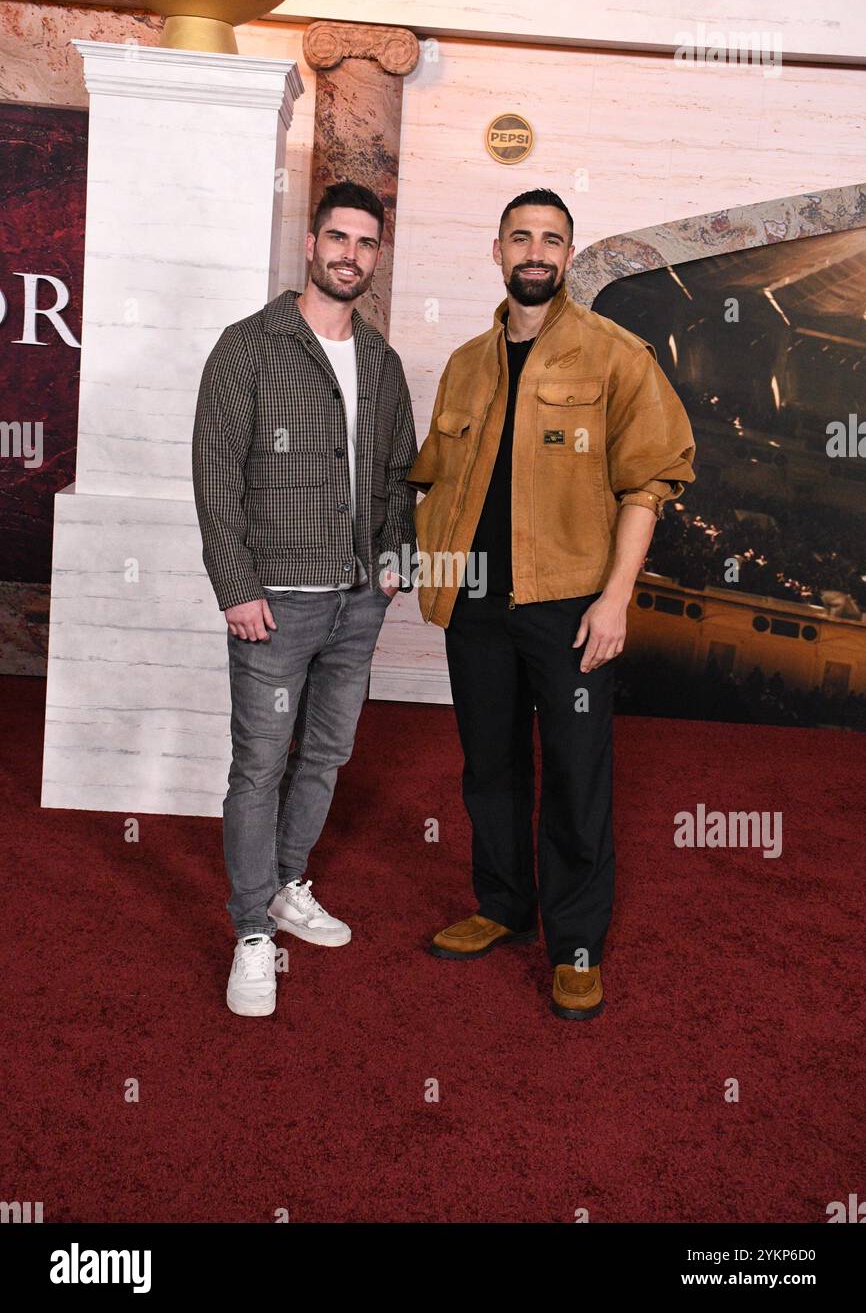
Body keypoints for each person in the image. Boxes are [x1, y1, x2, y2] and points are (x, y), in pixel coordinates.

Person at [406, 188, 696, 1020]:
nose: (536, 251)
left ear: (569, 257)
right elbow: (433, 479)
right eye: (521, 237)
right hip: (475, 602)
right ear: (497, 251)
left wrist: (615, 600)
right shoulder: (465, 363)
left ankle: (575, 944)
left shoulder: (615, 355)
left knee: (576, 777)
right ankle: (502, 907)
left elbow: (650, 481)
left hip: (569, 606)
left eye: (553, 240)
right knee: (489, 767)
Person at [192, 181, 417, 1017]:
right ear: (311, 243)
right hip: (275, 603)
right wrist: (237, 585)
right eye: (336, 237)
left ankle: (288, 884)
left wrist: (396, 559)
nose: (348, 254)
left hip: (358, 601)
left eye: (364, 242)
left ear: (376, 256)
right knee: (259, 763)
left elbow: (399, 474)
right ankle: (252, 930)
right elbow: (215, 477)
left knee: (325, 757)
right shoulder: (247, 346)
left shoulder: (382, 362)